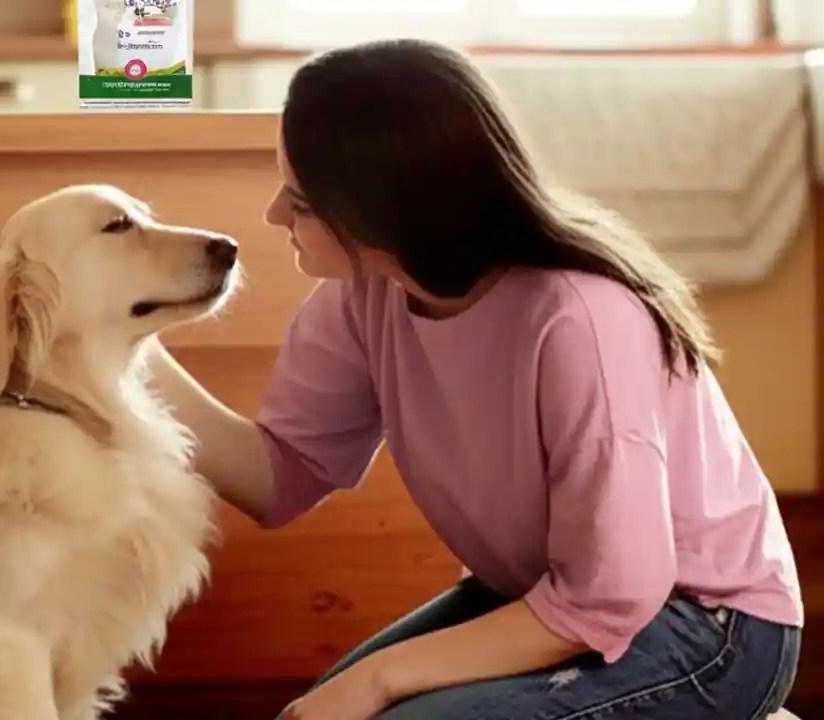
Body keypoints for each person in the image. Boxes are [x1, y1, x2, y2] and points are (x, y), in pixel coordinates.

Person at [144, 38, 803, 719]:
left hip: (709, 625)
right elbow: (278, 477)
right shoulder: (367, 294)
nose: (274, 217)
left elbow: (614, 592)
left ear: (381, 210)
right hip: (548, 597)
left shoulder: (579, 321)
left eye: (301, 201)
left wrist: (379, 678)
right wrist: (122, 353)